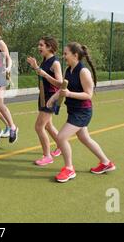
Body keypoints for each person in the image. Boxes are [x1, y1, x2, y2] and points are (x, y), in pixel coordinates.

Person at [47, 42, 116, 183]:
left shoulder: (83, 71)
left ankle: (69, 169)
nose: (64, 56)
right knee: (85, 138)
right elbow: (63, 88)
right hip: (74, 110)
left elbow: (88, 94)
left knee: (61, 137)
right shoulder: (68, 69)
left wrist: (69, 94)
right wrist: (53, 98)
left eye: (66, 53)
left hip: (83, 112)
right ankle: (106, 163)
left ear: (75, 55)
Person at [26, 37, 62, 166]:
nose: (39, 47)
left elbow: (60, 83)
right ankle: (61, 146)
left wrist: (44, 74)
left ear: (49, 47)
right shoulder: (45, 60)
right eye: (38, 45)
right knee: (48, 126)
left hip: (51, 97)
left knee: (39, 126)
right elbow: (41, 74)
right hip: (43, 96)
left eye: (41, 45)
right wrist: (36, 67)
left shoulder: (55, 63)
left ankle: (47, 156)